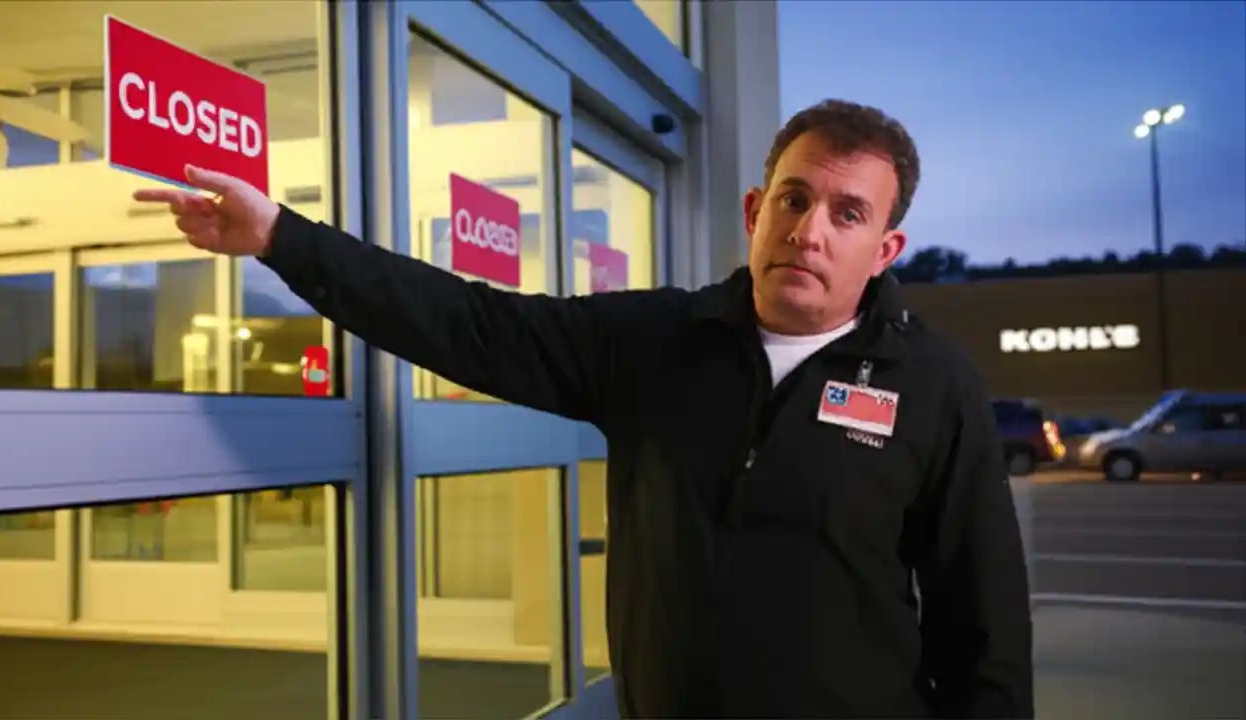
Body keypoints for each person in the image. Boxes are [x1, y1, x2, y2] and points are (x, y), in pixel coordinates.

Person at [135, 99, 1034, 719]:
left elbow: (981, 623)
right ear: (758, 210)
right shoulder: (653, 342)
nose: (810, 231)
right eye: (794, 200)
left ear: (886, 247)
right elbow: (466, 323)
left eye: (848, 213)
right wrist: (284, 239)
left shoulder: (931, 384)